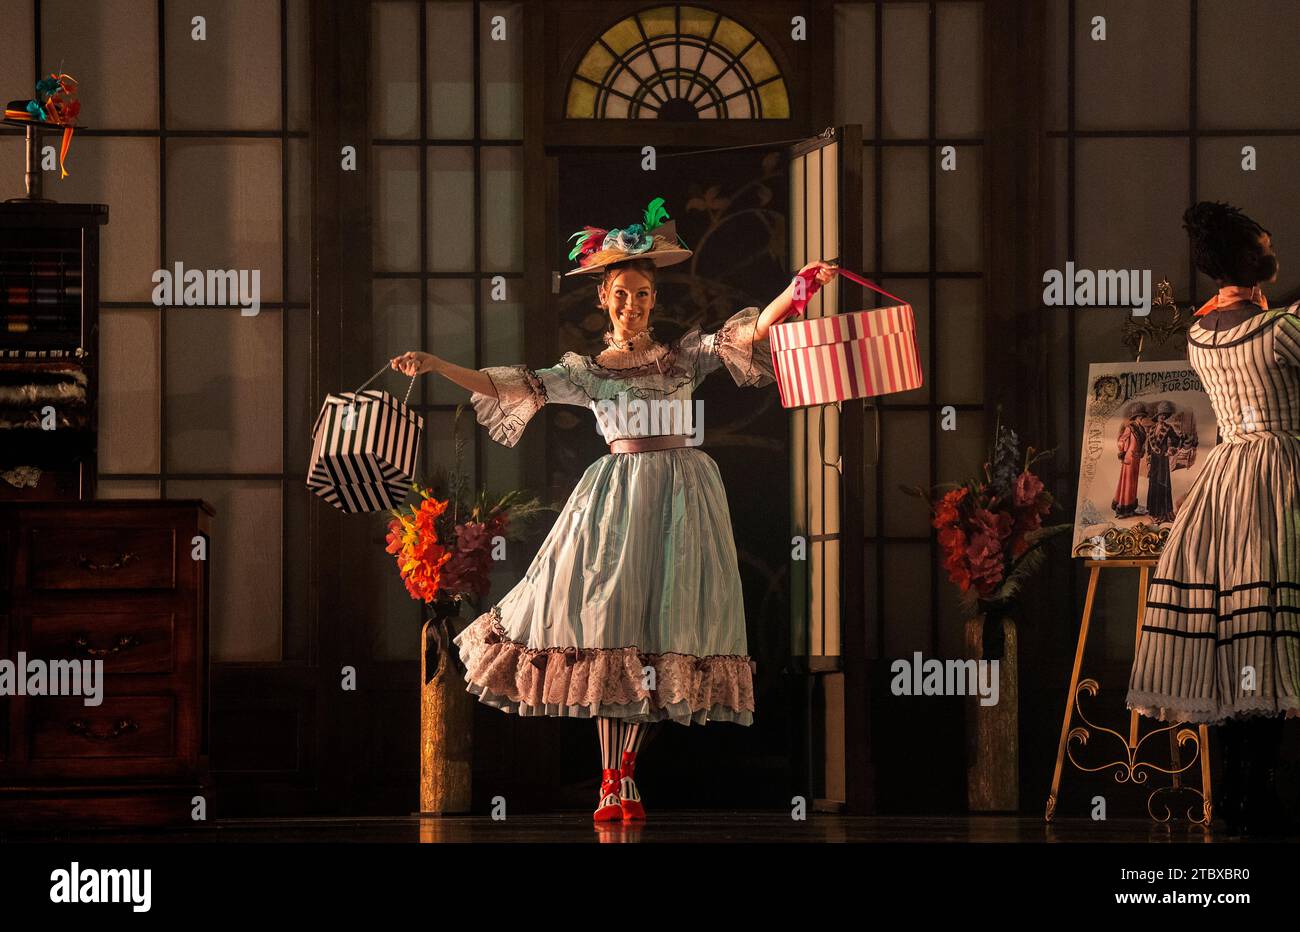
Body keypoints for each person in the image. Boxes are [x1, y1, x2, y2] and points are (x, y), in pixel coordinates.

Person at [391, 197, 837, 822]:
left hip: (684, 501)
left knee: (664, 633)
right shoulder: (591, 371)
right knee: (609, 628)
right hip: (617, 501)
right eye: (622, 294)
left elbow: (752, 332)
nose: (634, 305)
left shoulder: (682, 356)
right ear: (604, 298)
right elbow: (511, 384)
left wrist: (796, 292)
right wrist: (439, 366)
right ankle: (612, 778)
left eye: (645, 295)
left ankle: (627, 771)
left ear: (655, 299)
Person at [1125, 201, 1299, 837]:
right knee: (1269, 628)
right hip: (1278, 471)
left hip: (1226, 478)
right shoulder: (1277, 330)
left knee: (1239, 628)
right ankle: (1260, 792)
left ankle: (1237, 791)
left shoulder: (1202, 334)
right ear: (1256, 263)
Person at [1142, 400, 1183, 524]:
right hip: (1154, 461)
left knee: (1163, 484)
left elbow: (1176, 440)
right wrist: (1148, 461)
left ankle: (1164, 513)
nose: (1162, 417)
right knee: (1154, 484)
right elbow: (1149, 446)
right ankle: (1154, 512)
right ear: (1157, 416)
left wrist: (1171, 449)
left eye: (1164, 415)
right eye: (1160, 415)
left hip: (1163, 461)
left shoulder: (1168, 428)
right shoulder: (1152, 429)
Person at [1112, 401, 1147, 518]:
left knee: (1133, 483)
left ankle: (1130, 508)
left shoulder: (1141, 429)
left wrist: (1142, 451)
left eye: (1142, 416)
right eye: (1140, 416)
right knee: (1127, 483)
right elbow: (1121, 440)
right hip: (1129, 458)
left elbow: (1142, 444)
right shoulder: (1130, 428)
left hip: (1136, 458)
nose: (1141, 418)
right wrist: (1122, 450)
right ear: (1136, 417)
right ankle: (1123, 508)